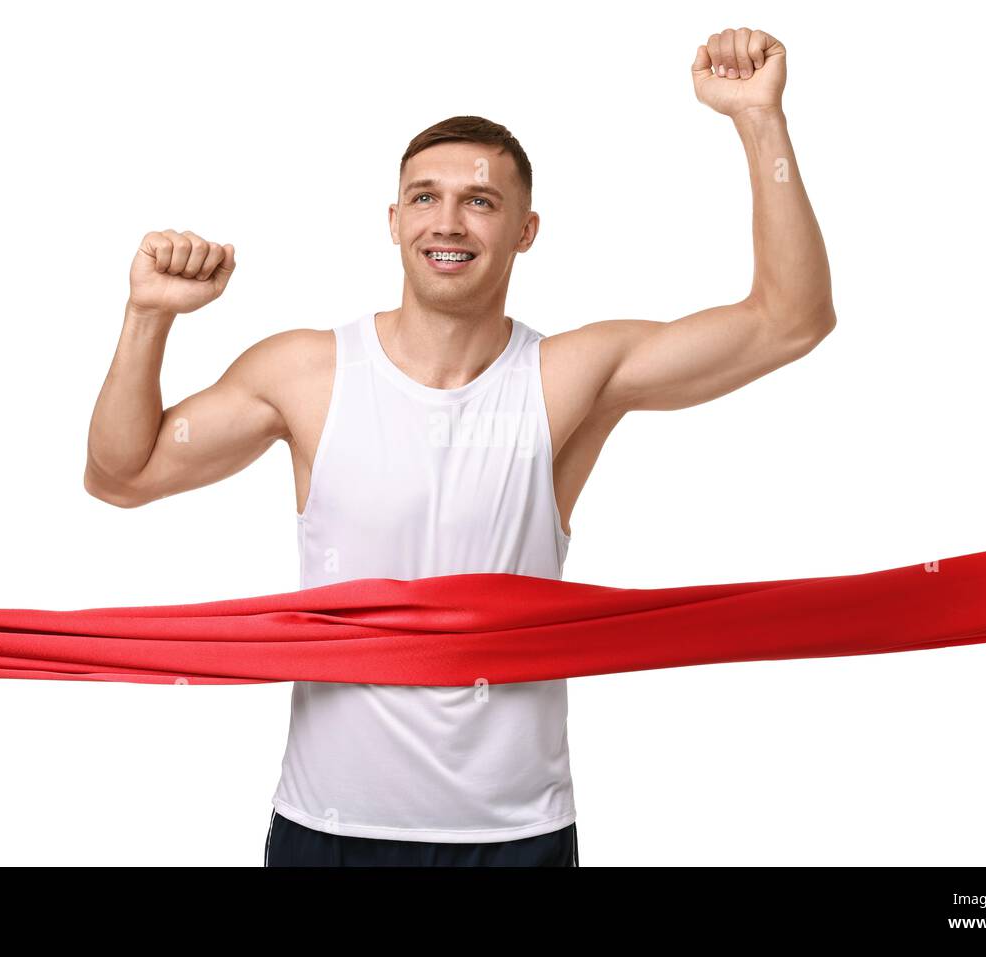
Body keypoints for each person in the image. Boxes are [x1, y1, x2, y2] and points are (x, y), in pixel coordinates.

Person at [83, 26, 834, 867]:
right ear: (393, 218)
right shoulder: (305, 374)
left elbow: (789, 321)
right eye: (424, 197)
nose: (448, 221)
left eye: (479, 201)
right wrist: (147, 316)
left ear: (525, 229)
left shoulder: (568, 377)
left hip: (512, 835)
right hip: (328, 826)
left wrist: (758, 119)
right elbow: (122, 473)